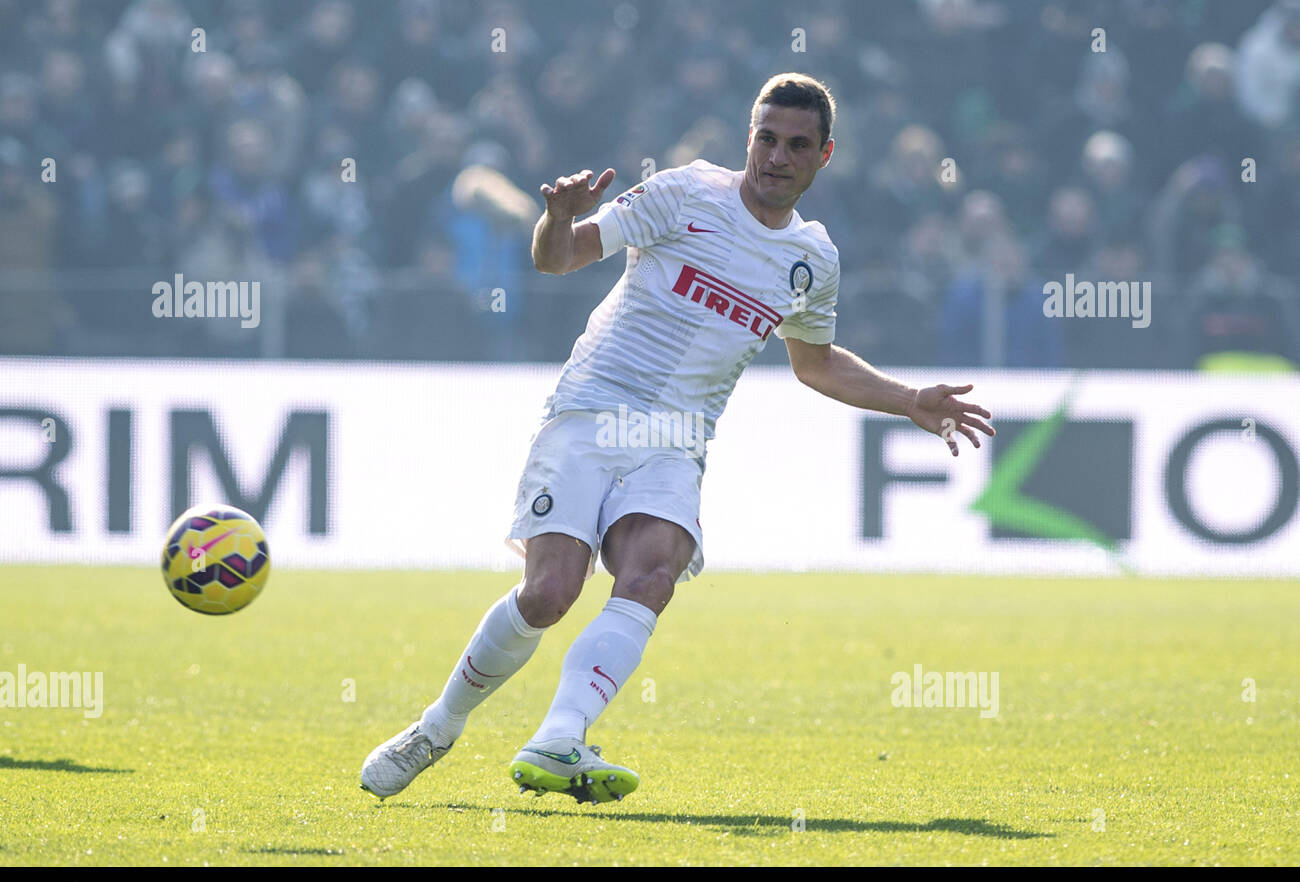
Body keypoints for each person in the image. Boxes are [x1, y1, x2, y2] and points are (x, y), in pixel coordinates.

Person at [360, 73, 994, 804]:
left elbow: (814, 362)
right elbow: (558, 258)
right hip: (591, 409)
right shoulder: (686, 192)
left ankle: (560, 736)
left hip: (677, 440)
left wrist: (910, 398)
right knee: (549, 594)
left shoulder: (813, 259)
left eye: (795, 145)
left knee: (652, 575)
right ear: (747, 136)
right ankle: (438, 727)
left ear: (823, 156)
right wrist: (557, 220)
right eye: (765, 138)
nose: (776, 156)